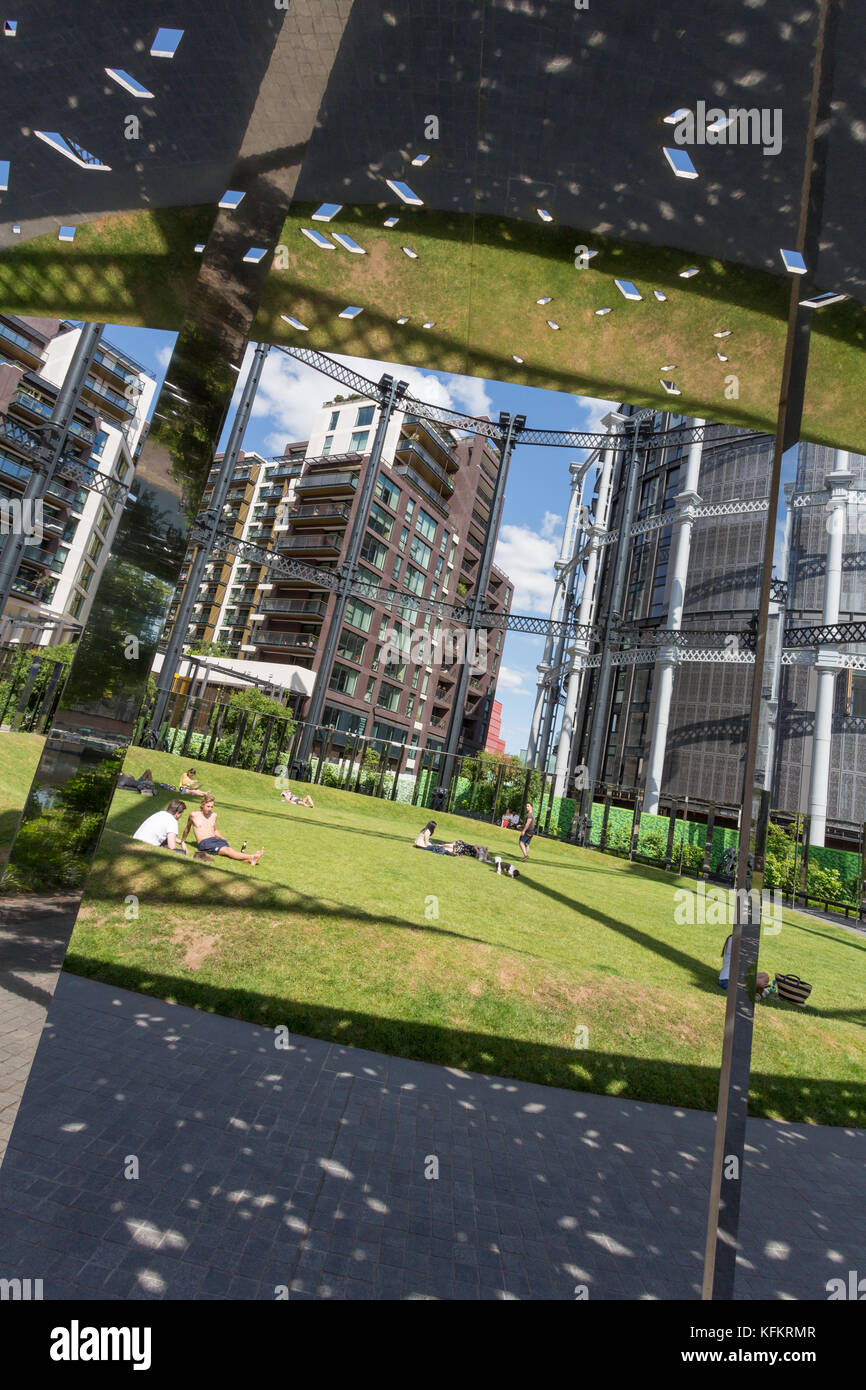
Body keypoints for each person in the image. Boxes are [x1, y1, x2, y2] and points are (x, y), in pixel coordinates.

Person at [181, 794, 263, 865]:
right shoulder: (194, 815)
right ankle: (251, 857)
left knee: (229, 850)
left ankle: (250, 860)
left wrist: (222, 838)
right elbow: (187, 829)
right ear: (202, 805)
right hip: (205, 843)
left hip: (215, 840)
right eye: (208, 806)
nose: (209, 809)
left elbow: (215, 830)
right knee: (227, 851)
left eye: (212, 807)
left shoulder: (214, 815)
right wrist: (183, 842)